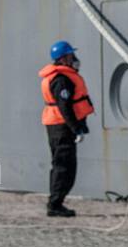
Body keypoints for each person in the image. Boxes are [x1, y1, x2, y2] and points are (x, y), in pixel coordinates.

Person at [39, 41, 93, 218]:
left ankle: (56, 202)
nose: (75, 59)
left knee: (63, 165)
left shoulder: (61, 76)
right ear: (64, 58)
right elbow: (65, 107)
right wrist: (76, 128)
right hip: (61, 127)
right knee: (64, 166)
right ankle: (55, 204)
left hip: (58, 125)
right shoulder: (62, 79)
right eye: (71, 55)